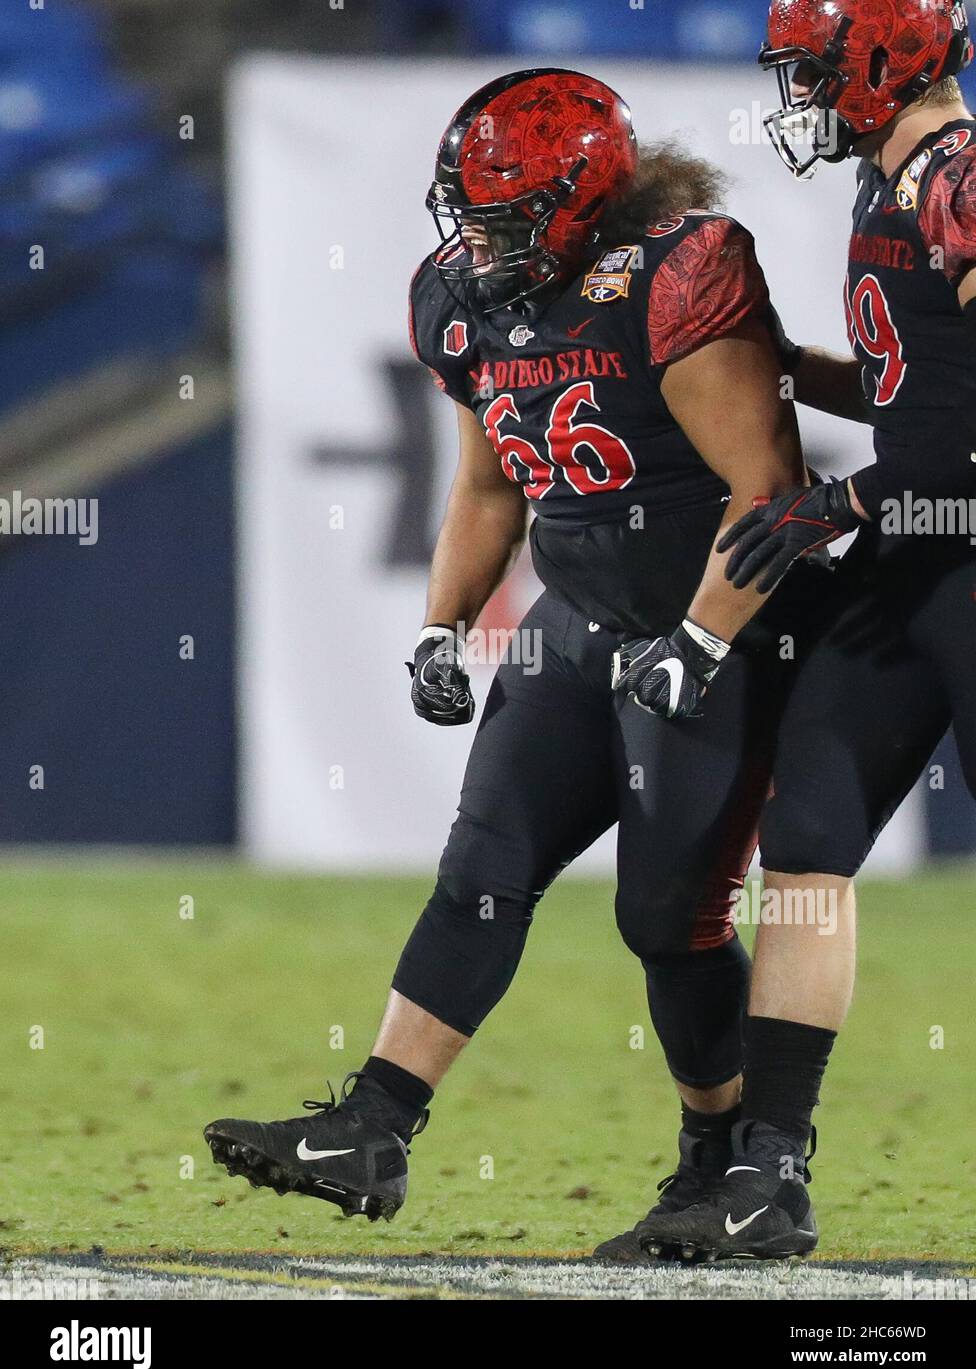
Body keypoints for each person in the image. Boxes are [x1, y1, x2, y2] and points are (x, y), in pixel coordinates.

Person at [204, 68, 824, 1254]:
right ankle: (372, 1127)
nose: (480, 244)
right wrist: (442, 623)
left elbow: (768, 489)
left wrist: (701, 637)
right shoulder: (457, 295)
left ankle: (724, 1172)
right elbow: (492, 479)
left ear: (585, 200)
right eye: (471, 215)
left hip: (718, 620)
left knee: (668, 917)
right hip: (580, 612)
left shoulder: (676, 272)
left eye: (508, 217)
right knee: (482, 861)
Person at [628, 0, 976, 1261]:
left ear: (879, 64)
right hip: (916, 565)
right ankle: (770, 1172)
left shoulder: (963, 180)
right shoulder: (897, 186)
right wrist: (761, 359)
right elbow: (913, 392)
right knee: (809, 838)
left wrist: (844, 496)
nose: (803, 97)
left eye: (815, 71)